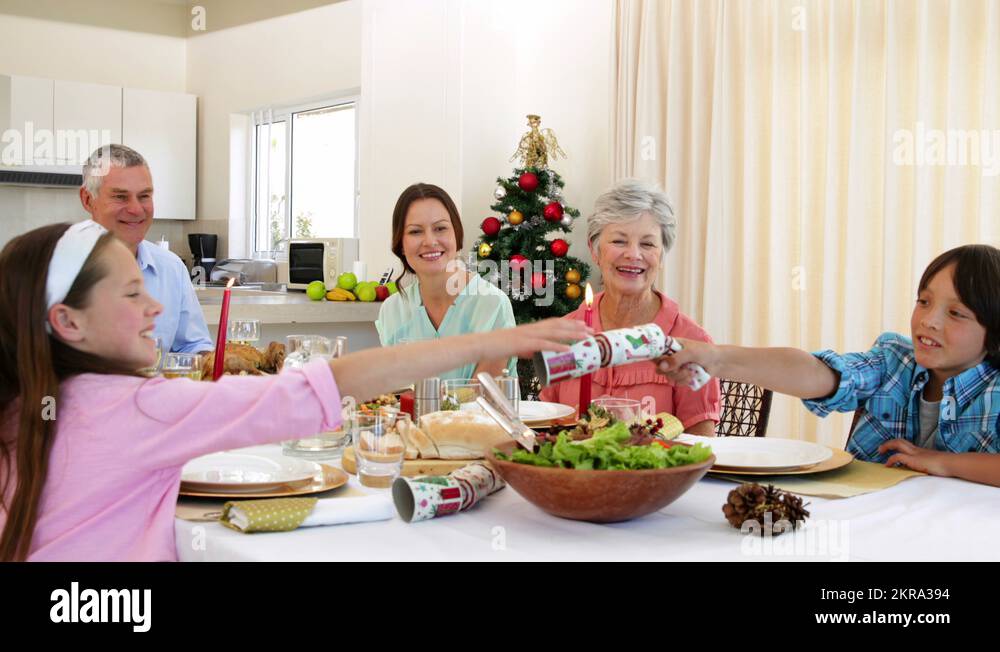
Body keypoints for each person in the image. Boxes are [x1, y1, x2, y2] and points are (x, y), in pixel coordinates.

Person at [0, 222, 590, 561]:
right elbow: (329, 385)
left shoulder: (20, 408)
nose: (156, 305)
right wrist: (504, 337)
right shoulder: (140, 409)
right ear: (67, 322)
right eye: (131, 295)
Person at [656, 244, 1000, 487]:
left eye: (955, 313)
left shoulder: (994, 390)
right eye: (924, 302)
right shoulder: (895, 361)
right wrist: (715, 358)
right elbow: (818, 374)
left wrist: (940, 462)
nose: (929, 321)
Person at [539, 179, 721, 436]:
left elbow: (702, 450)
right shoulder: (566, 335)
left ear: (662, 255)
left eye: (647, 244)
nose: (634, 254)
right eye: (619, 241)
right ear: (595, 250)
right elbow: (547, 430)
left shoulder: (691, 341)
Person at [79, 144, 212, 353]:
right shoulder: (55, 267)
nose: (135, 209)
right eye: (120, 197)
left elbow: (193, 346)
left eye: (144, 196)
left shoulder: (172, 268)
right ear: (88, 200)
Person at [376, 183, 517, 381]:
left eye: (440, 228)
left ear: (456, 235)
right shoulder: (392, 311)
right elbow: (394, 397)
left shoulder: (492, 305)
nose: (430, 241)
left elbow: (480, 400)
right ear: (400, 243)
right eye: (415, 231)